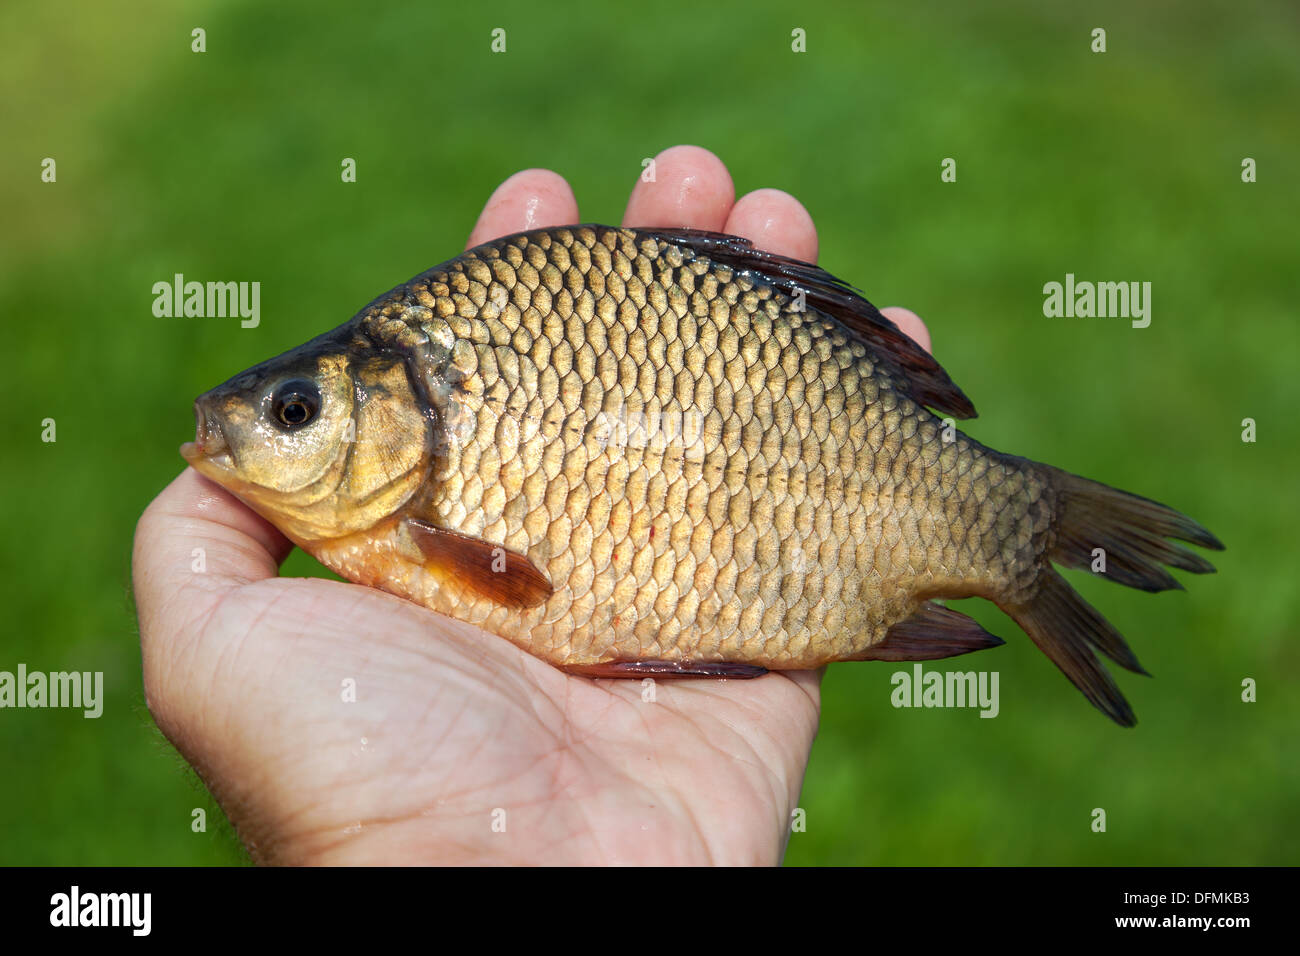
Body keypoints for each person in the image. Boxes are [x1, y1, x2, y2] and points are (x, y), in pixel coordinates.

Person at [133, 145, 933, 865]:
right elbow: (517, 586)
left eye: (295, 411)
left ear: (404, 406)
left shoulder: (409, 528)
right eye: (294, 413)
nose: (258, 428)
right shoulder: (400, 520)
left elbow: (520, 588)